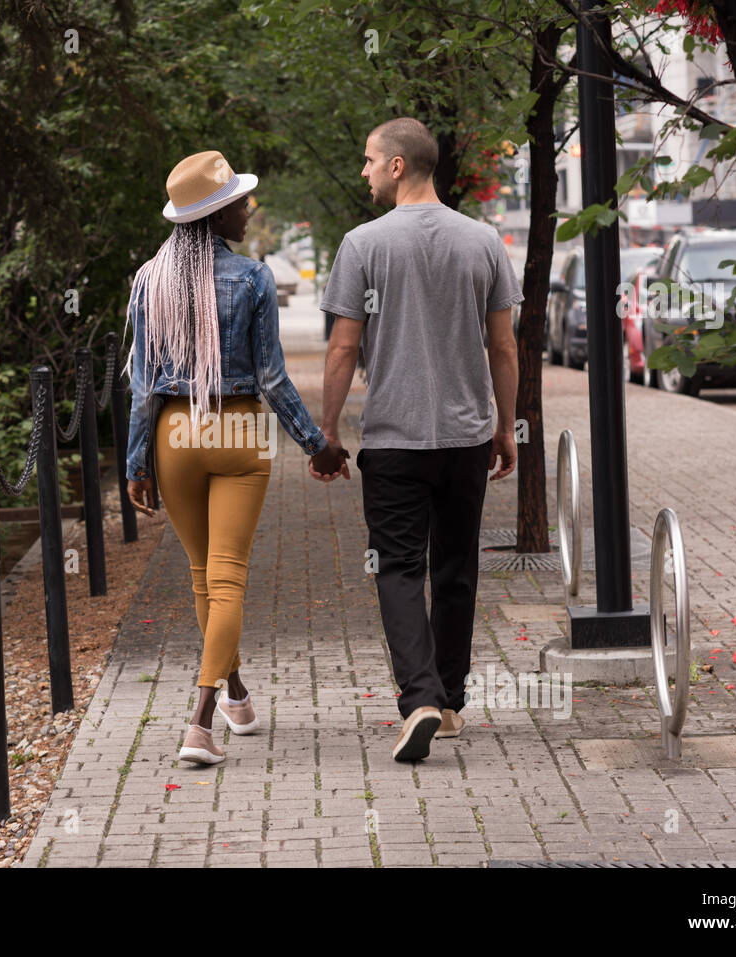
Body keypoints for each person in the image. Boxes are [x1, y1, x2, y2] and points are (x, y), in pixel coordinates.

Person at [124, 149, 349, 766]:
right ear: (216, 214)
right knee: (227, 577)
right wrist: (318, 446)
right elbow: (274, 381)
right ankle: (198, 724)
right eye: (239, 203)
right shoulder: (252, 278)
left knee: (205, 578)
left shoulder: (149, 279)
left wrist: (136, 463)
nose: (249, 209)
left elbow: (143, 386)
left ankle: (237, 694)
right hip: (238, 432)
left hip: (175, 434)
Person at [316, 118, 521, 762]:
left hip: (396, 440)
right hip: (465, 439)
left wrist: (325, 431)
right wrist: (504, 426)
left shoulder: (362, 245)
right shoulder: (483, 241)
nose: (364, 171)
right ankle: (451, 701)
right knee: (456, 568)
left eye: (370, 159)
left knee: (399, 568)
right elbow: (504, 346)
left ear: (399, 166)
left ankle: (421, 699)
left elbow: (344, 347)